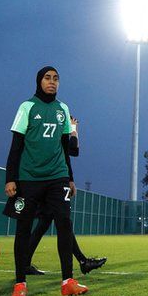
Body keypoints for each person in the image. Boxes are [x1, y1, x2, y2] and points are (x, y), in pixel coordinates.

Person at [3, 66, 86, 296]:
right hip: (29, 178)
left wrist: (70, 177)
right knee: (23, 229)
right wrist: (10, 177)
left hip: (57, 176)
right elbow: (16, 145)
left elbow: (65, 149)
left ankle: (67, 281)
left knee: (64, 225)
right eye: (48, 78)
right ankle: (20, 283)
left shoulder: (63, 109)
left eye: (56, 79)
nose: (52, 82)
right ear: (39, 81)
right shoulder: (27, 107)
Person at [25, 116, 106, 277]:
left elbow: (69, 154)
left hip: (46, 182)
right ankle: (83, 262)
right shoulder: (51, 136)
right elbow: (74, 149)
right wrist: (74, 129)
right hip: (51, 184)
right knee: (63, 223)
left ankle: (25, 264)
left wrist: (70, 180)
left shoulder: (47, 136)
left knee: (45, 224)